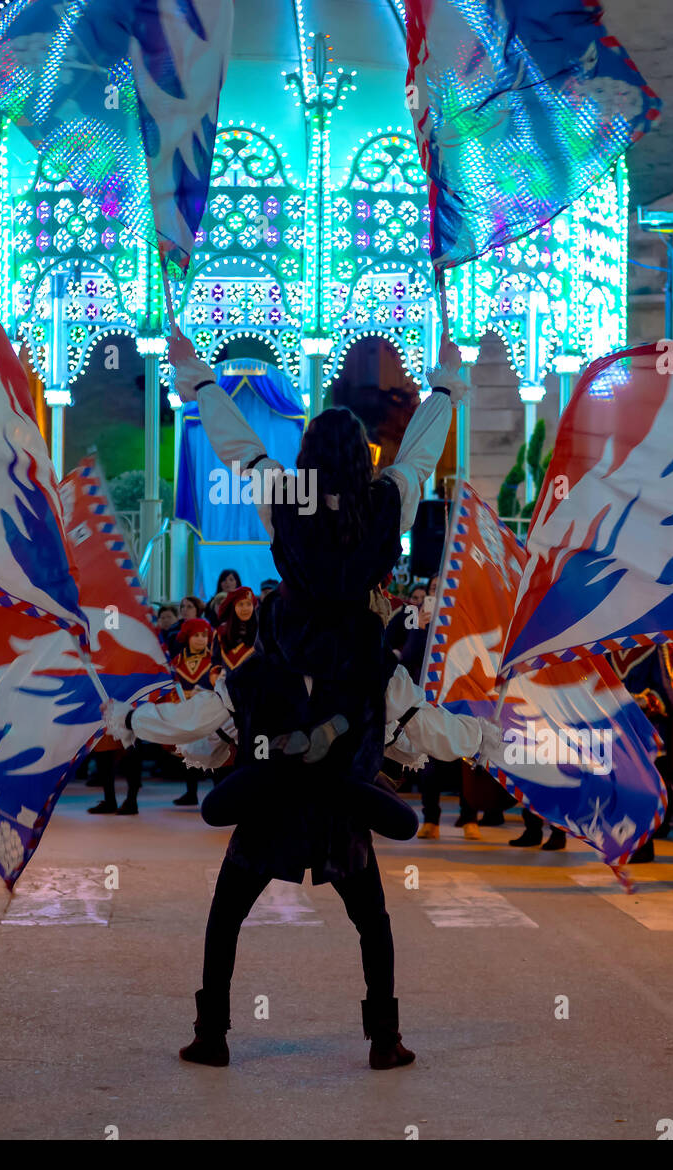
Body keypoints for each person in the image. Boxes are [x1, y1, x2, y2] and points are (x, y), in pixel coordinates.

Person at [159, 322, 468, 1068]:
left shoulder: (282, 491)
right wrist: (450, 384)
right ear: (361, 456)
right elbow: (421, 450)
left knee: (229, 906)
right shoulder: (387, 496)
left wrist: (197, 376)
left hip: (283, 677)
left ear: (305, 457)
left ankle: (212, 1034)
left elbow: (237, 445)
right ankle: (384, 1038)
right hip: (354, 687)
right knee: (370, 913)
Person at [102, 587, 501, 1071]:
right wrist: (479, 738)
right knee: (372, 924)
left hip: (269, 813)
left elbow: (196, 720)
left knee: (226, 918)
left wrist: (131, 717)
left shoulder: (255, 674)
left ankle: (211, 1037)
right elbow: (425, 727)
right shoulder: (377, 672)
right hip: (341, 819)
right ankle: (384, 1040)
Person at [172, 617, 217, 806]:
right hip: (186, 713)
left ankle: (218, 794)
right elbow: (170, 686)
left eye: (204, 636)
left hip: (208, 713)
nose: (200, 639)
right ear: (187, 637)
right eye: (196, 635)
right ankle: (191, 793)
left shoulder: (214, 660)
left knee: (215, 755)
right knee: (188, 754)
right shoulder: (177, 662)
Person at [214, 587, 258, 674]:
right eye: (241, 604)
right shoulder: (221, 633)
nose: (245, 608)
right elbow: (215, 661)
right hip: (225, 685)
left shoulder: (261, 632)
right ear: (233, 608)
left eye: (249, 604)